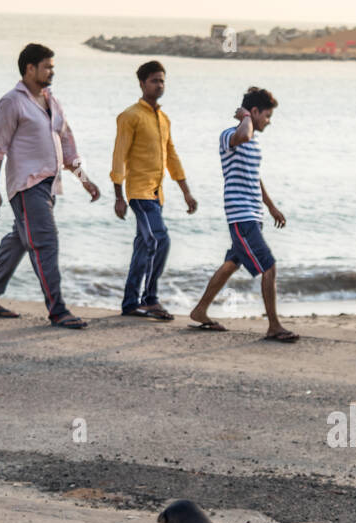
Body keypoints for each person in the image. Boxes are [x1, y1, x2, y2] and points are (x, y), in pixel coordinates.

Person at [0, 43, 101, 329]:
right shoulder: (12, 102)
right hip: (26, 186)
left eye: (53, 67)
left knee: (19, 242)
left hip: (49, 185)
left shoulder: (51, 100)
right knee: (45, 242)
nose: (51, 72)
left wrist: (85, 180)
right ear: (29, 68)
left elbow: (67, 143)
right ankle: (57, 310)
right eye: (47, 67)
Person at [188, 87, 297, 342]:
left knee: (230, 264)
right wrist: (246, 117)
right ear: (254, 111)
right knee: (269, 265)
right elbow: (243, 136)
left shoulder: (253, 141)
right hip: (240, 215)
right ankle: (274, 326)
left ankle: (200, 310)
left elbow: (254, 177)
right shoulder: (231, 135)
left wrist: (270, 206)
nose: (268, 122)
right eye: (266, 116)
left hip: (254, 213)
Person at [111, 60, 197, 320]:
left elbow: (171, 156)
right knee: (160, 240)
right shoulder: (130, 116)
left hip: (157, 195)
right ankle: (149, 299)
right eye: (154, 80)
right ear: (142, 83)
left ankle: (130, 303)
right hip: (139, 193)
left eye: (162, 80)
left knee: (144, 247)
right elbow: (119, 156)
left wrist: (186, 191)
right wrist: (118, 196)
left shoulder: (163, 119)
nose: (159, 85)